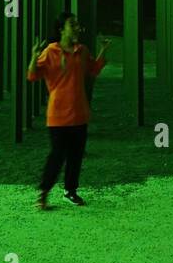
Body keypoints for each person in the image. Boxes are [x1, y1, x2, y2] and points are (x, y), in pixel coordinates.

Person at [26, 11, 110, 210]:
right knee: (57, 155)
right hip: (58, 115)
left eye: (77, 24)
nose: (77, 28)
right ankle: (43, 193)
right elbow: (32, 75)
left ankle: (70, 191)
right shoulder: (51, 51)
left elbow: (95, 69)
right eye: (72, 24)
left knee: (76, 155)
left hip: (80, 113)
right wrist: (34, 56)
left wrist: (103, 50)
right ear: (61, 29)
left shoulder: (82, 51)